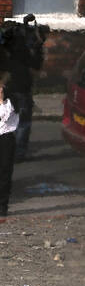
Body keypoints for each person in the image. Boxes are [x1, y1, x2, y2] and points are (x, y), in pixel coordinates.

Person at [0, 13, 45, 159]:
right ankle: (18, 153)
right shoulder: (24, 49)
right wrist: (38, 46)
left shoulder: (6, 48)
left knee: (5, 121)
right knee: (23, 122)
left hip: (5, 87)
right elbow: (36, 64)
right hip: (21, 87)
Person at [0, 78, 19, 220]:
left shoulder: (10, 104)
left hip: (6, 139)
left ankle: (3, 206)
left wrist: (1, 100)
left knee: (5, 172)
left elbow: (5, 117)